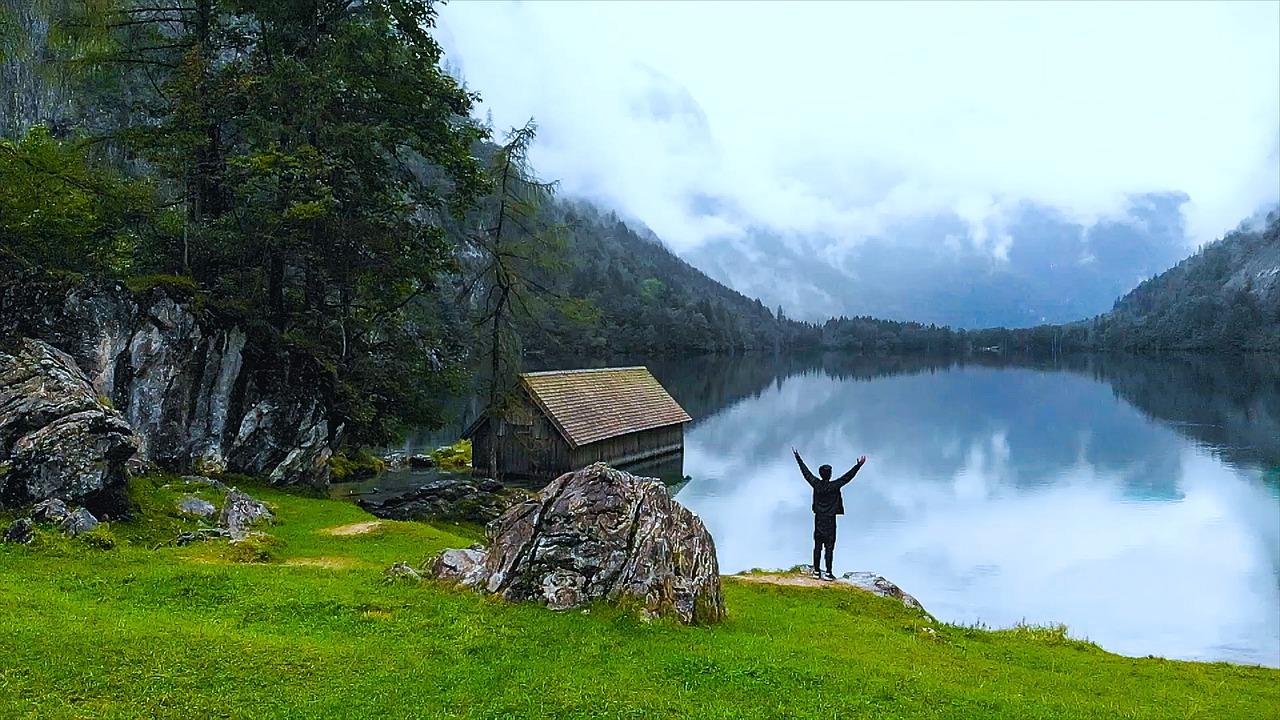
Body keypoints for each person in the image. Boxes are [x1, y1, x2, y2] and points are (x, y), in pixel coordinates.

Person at [792, 448, 866, 580]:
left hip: (818, 519)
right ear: (830, 474)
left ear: (820, 474)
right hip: (830, 520)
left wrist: (798, 458)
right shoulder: (834, 486)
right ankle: (828, 572)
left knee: (817, 546)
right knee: (829, 547)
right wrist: (858, 466)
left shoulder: (815, 484)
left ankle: (816, 571)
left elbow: (805, 472)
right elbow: (847, 477)